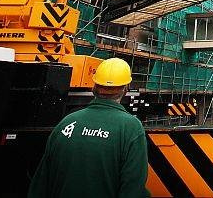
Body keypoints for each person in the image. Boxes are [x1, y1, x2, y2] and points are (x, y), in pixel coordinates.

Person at [28, 58, 149, 198]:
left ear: (94, 87)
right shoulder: (131, 128)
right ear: (126, 89)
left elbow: (41, 183)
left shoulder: (66, 123)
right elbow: (133, 189)